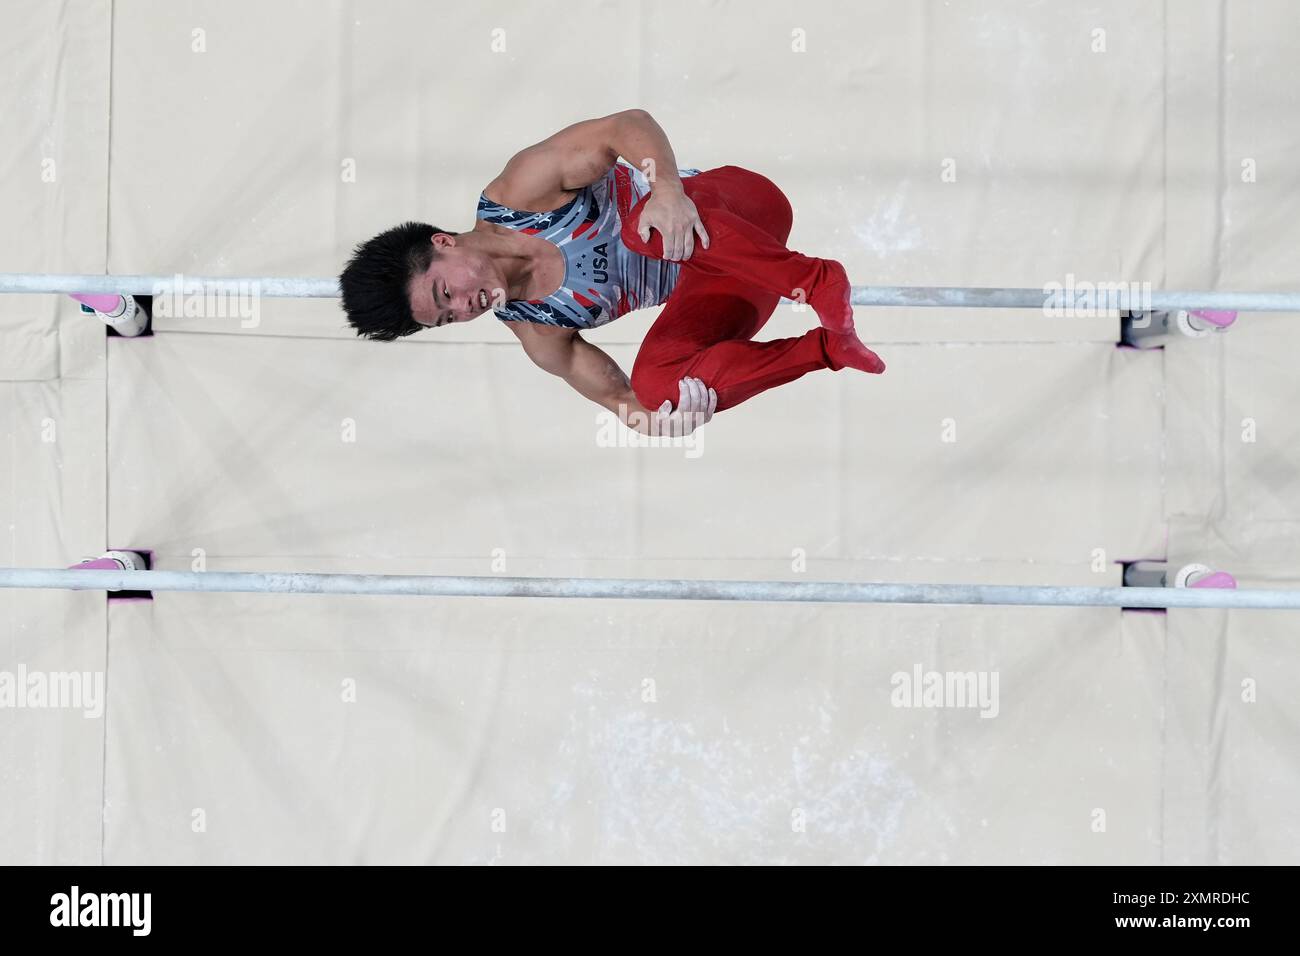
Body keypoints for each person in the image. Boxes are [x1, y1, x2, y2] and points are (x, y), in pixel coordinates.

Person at [339, 109, 885, 436]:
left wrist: (667, 189)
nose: (464, 309)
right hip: (739, 288)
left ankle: (820, 281)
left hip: (742, 209)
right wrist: (669, 420)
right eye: (446, 319)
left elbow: (627, 124)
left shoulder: (522, 193)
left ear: (442, 243)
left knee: (640, 230)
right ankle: (829, 349)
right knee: (658, 387)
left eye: (445, 293)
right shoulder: (540, 333)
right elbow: (626, 405)